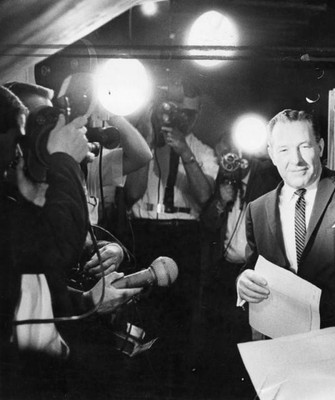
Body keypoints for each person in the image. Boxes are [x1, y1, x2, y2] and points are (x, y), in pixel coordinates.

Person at [0, 85, 141, 399]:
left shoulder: (29, 187)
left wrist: (110, 252)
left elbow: (33, 282)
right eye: (38, 121)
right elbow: (54, 251)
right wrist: (63, 158)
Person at [236, 109, 335, 342]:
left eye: (304, 146)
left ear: (321, 147)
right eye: (284, 150)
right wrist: (243, 282)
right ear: (272, 154)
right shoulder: (257, 210)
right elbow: (253, 268)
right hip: (284, 347)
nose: (295, 159)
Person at [124, 76, 218, 390]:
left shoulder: (202, 151)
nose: (181, 119)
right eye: (175, 111)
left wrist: (185, 152)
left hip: (184, 236)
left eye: (189, 114)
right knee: (139, 313)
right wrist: (146, 142)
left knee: (181, 318)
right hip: (145, 231)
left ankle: (175, 386)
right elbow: (131, 194)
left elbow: (205, 198)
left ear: (198, 114)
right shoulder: (140, 146)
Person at [6, 81, 152, 280]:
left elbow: (141, 155)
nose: (47, 128)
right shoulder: (9, 182)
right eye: (37, 121)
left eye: (50, 117)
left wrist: (112, 249)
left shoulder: (79, 168)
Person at [199, 134, 281, 397]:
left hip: (253, 271)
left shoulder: (266, 178)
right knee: (222, 343)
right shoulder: (223, 179)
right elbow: (208, 223)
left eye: (235, 153)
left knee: (251, 342)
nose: (231, 159)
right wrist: (221, 200)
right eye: (225, 153)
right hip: (223, 271)